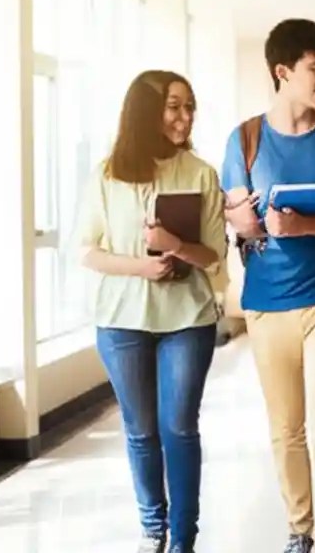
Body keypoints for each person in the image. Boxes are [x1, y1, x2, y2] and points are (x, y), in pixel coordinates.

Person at [220, 18, 315, 553]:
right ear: (283, 72)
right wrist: (242, 220)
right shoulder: (244, 140)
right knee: (285, 429)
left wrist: (305, 224)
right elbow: (235, 216)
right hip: (266, 304)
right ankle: (300, 531)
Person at [76, 70, 227, 553]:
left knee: (178, 427)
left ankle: (183, 538)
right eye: (174, 107)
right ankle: (152, 528)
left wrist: (176, 246)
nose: (185, 117)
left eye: (189, 107)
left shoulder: (201, 173)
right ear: (147, 111)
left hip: (188, 320)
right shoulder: (106, 174)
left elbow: (214, 257)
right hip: (121, 322)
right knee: (140, 431)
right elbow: (87, 251)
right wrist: (143, 266)